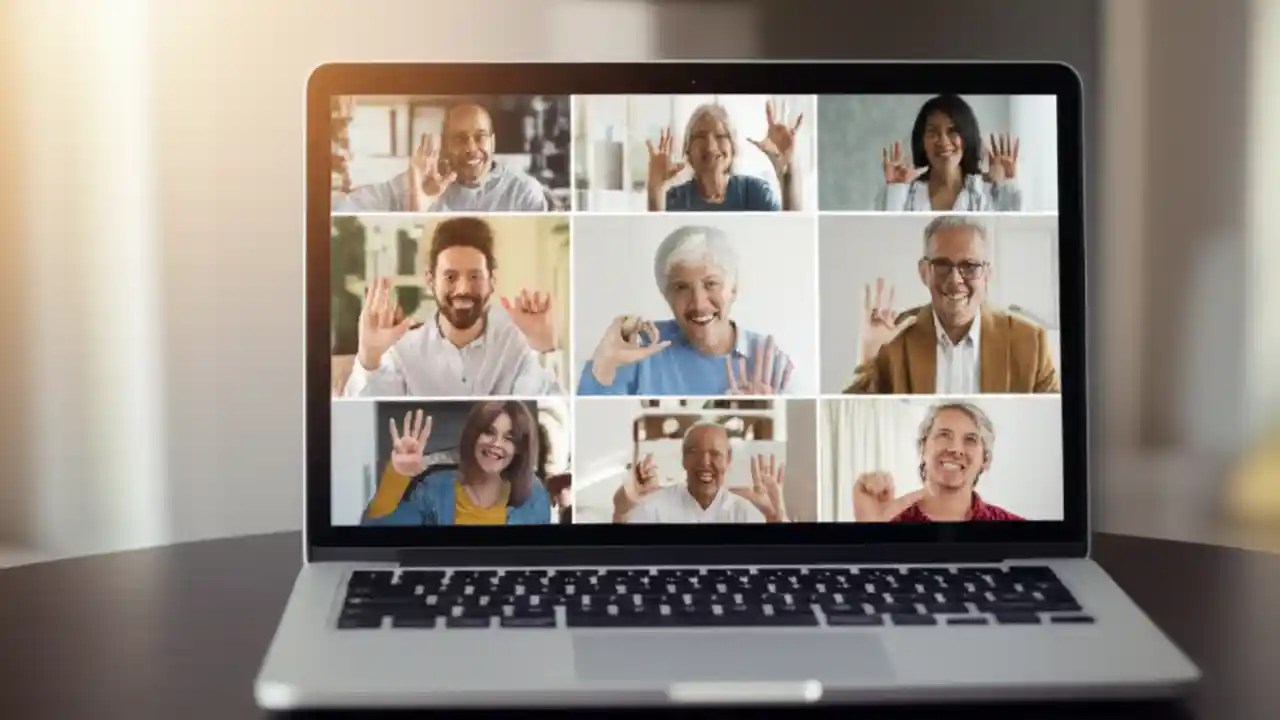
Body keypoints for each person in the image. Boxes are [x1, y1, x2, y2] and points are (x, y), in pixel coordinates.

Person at [344, 217, 561, 397]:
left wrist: (544, 348)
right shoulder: (403, 350)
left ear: (492, 280)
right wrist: (368, 356)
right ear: (430, 280)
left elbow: (548, 416)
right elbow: (359, 421)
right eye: (450, 276)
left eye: (475, 276)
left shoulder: (518, 343)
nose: (463, 289)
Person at [843, 216, 1059, 394]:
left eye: (970, 266)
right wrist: (868, 354)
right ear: (924, 272)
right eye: (942, 265)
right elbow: (852, 417)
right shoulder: (892, 337)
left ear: (987, 275)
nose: (955, 279)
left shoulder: (1031, 342)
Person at [578, 224, 794, 396]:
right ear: (666, 295)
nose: (699, 303)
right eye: (681, 287)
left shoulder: (772, 363)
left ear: (734, 288)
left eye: (711, 284)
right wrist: (602, 365)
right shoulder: (640, 346)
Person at [333, 101, 549, 213]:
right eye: (460, 139)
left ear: (492, 141)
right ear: (445, 144)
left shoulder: (523, 192)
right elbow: (342, 211)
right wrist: (417, 203)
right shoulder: (417, 182)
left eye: (480, 137)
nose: (471, 148)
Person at [362, 402, 552, 526]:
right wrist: (398, 474)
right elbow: (372, 534)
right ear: (473, 435)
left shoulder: (534, 494)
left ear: (519, 448)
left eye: (509, 438)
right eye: (489, 432)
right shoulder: (433, 488)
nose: (496, 444)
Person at [852, 401, 1023, 522]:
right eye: (944, 435)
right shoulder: (889, 522)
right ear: (922, 448)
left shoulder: (1017, 531)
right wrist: (870, 531)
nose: (955, 449)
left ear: (985, 459)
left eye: (970, 439)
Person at [611, 422, 788, 524]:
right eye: (694, 452)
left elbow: (781, 564)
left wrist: (775, 515)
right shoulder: (657, 505)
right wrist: (622, 509)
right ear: (683, 459)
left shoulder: (745, 512)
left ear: (728, 459)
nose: (704, 462)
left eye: (715, 454)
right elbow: (620, 554)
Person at [646, 100, 803, 212]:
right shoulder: (675, 199)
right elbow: (656, 243)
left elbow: (791, 235)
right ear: (688, 152)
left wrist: (787, 172)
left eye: (720, 136)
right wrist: (654, 190)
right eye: (700, 136)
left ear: (733, 148)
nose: (711, 146)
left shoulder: (756, 192)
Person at [874, 94, 1023, 212]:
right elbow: (886, 238)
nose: (943, 141)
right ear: (922, 140)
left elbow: (1012, 236)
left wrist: (1006, 184)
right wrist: (895, 188)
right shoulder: (905, 194)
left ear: (967, 136)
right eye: (933, 132)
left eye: (952, 131)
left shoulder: (987, 192)